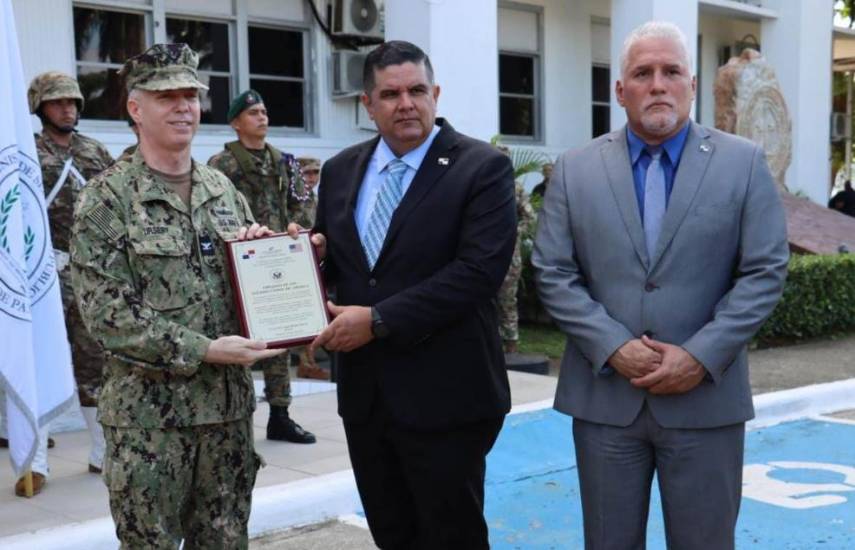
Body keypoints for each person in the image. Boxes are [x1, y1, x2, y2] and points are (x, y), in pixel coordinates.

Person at [532, 21, 789, 550]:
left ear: (691, 85)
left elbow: (764, 271)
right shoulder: (575, 170)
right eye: (642, 73)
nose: (657, 84)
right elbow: (553, 271)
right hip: (605, 404)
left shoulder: (743, 164)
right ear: (619, 89)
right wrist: (613, 346)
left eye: (671, 71)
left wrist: (699, 356)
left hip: (706, 403)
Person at [297, 40, 516, 548]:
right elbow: (344, 265)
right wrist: (310, 257)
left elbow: (477, 273)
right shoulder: (341, 170)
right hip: (367, 398)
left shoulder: (481, 168)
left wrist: (377, 319)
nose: (406, 104)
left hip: (448, 396)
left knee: (450, 536)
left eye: (417, 90)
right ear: (367, 104)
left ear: (435, 94)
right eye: (391, 94)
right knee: (392, 534)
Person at [70, 43, 284, 548]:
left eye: (191, 94)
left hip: (227, 417)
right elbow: (107, 316)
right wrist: (204, 350)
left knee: (226, 541)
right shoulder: (106, 200)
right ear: (135, 108)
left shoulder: (223, 191)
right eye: (167, 95)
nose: (184, 106)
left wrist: (277, 262)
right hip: (150, 425)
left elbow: (244, 286)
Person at [207, 90, 316, 444]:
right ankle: (232, 418)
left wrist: (295, 235)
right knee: (237, 340)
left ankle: (280, 415)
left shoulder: (286, 162)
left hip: (279, 259)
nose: (262, 117)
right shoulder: (221, 165)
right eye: (253, 113)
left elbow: (303, 204)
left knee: (279, 338)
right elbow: (212, 213)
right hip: (239, 265)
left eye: (265, 111)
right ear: (236, 123)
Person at [27, 71, 113, 486]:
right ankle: (35, 460)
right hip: (42, 273)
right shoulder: (25, 150)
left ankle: (101, 452)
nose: (68, 109)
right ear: (40, 106)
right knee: (40, 361)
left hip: (88, 272)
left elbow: (117, 202)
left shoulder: (94, 150)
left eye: (73, 102)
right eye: (59, 102)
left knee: (94, 362)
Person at [495, 145, 536, 354]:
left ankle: (511, 344)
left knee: (507, 300)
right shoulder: (480, 183)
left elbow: (529, 217)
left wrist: (515, 232)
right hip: (482, 253)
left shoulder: (516, 188)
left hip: (510, 255)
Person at [296, 156, 320, 226]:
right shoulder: (291, 198)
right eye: (307, 172)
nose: (312, 176)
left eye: (316, 172)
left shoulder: (318, 200)